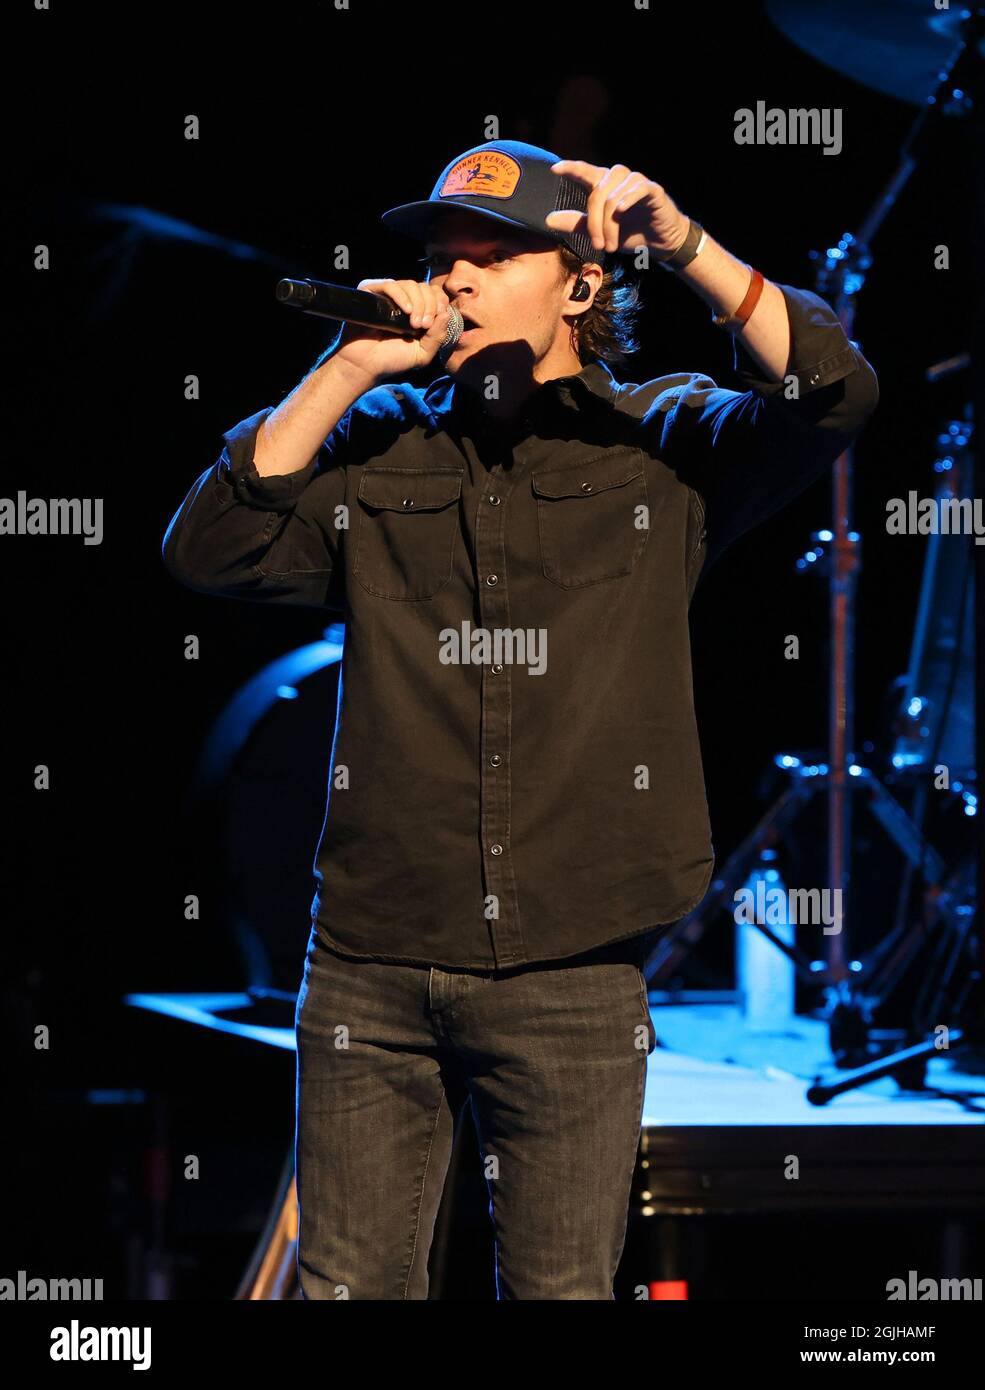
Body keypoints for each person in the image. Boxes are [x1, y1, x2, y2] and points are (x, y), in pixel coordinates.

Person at [161, 139, 879, 1299]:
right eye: (443, 256)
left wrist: (683, 246)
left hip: (572, 967)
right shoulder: (377, 435)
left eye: (493, 255)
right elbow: (210, 547)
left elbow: (835, 390)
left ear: (581, 284)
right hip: (371, 962)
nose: (454, 276)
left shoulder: (660, 446)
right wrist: (347, 366)